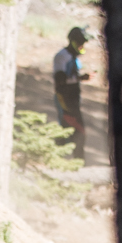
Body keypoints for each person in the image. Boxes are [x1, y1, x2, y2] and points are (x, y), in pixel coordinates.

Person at [52, 26, 90, 160]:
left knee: (78, 132)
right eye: (80, 42)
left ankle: (77, 163)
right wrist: (79, 78)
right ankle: (57, 161)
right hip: (64, 99)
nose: (82, 46)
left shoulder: (75, 58)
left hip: (74, 99)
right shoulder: (62, 56)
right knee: (68, 131)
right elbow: (60, 79)